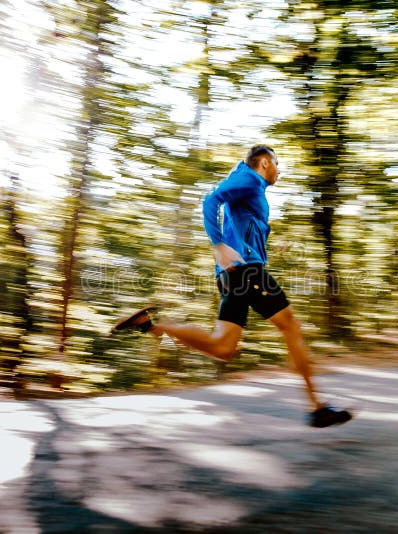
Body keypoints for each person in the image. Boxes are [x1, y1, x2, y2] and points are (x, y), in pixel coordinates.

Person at [112, 145, 351, 428]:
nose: (279, 170)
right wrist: (218, 246)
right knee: (291, 328)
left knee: (223, 348)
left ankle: (151, 325)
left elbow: (242, 226)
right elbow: (210, 201)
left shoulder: (250, 186)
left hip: (236, 274)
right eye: (276, 164)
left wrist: (265, 246)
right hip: (246, 271)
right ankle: (317, 407)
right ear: (264, 163)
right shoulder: (250, 179)